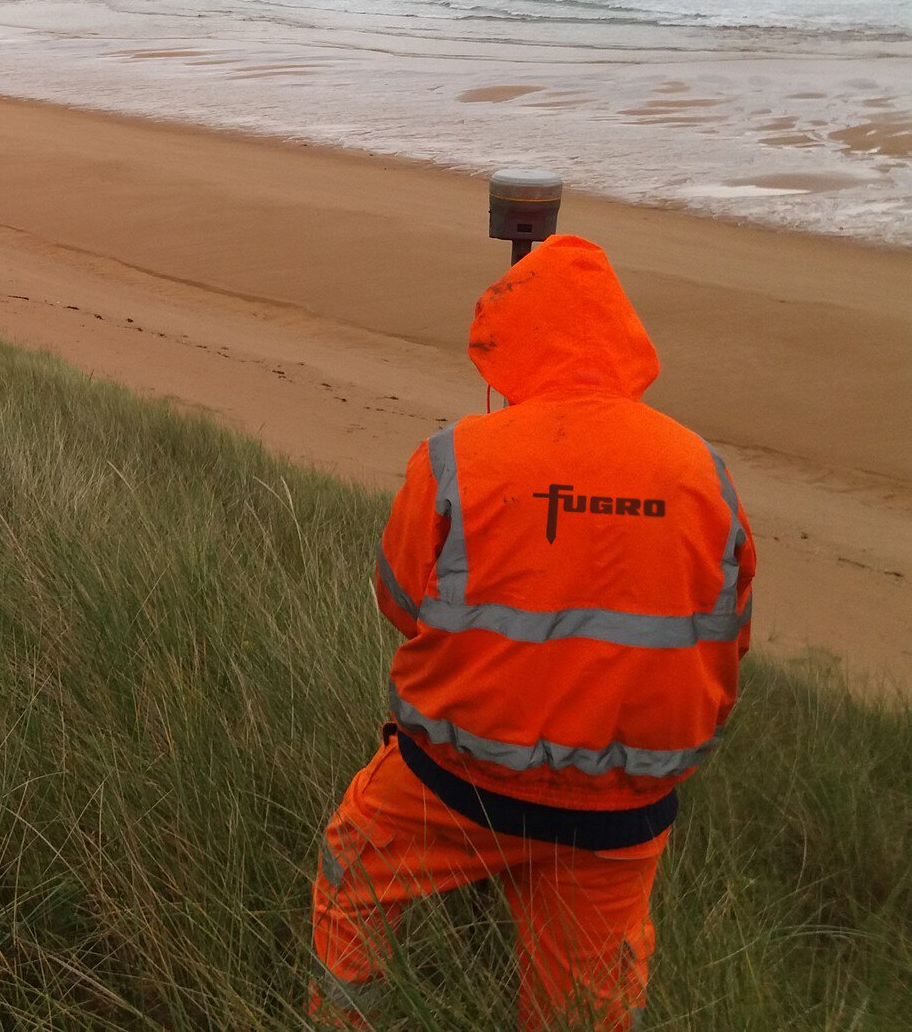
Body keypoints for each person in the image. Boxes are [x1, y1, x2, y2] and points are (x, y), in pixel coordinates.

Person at [309, 234, 755, 1030]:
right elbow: (727, 637)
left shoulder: (454, 458)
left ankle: (342, 1021)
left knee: (353, 874)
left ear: (507, 343)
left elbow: (399, 603)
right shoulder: (700, 471)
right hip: (625, 807)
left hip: (456, 781)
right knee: (584, 1010)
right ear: (626, 343)